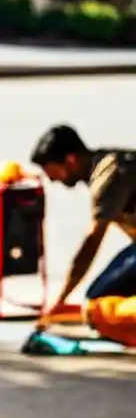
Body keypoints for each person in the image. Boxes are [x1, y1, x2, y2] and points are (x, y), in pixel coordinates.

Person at [30, 125, 136, 336]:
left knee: (99, 304)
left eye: (51, 169)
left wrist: (60, 301)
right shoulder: (110, 163)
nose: (51, 179)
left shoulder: (108, 176)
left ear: (70, 160)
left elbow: (91, 244)